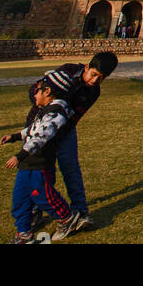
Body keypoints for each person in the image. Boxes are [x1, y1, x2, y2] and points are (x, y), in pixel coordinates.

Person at [24, 51, 118, 233]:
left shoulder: (93, 91)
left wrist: (58, 131)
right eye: (93, 74)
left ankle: (80, 211)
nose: (94, 81)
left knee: (71, 169)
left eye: (101, 78)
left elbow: (75, 117)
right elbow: (34, 93)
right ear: (87, 67)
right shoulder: (67, 71)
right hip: (38, 128)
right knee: (38, 171)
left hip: (64, 130)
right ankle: (34, 211)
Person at [1, 69, 85, 243]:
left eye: (37, 91)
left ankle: (67, 219)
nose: (34, 94)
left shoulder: (57, 113)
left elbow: (41, 136)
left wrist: (19, 155)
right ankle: (24, 234)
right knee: (20, 199)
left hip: (39, 165)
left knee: (42, 195)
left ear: (47, 91)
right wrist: (14, 137)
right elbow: (33, 129)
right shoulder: (45, 109)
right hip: (27, 165)